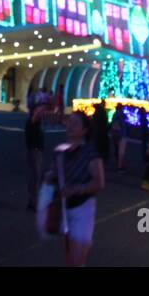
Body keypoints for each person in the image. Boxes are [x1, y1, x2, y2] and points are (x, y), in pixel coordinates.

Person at [49, 110, 105, 266]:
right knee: (69, 260)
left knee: (76, 260)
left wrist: (76, 189)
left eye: (75, 124)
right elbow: (55, 175)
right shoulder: (62, 152)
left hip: (83, 210)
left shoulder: (90, 153)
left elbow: (99, 183)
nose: (70, 126)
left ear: (84, 130)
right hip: (65, 209)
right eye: (69, 122)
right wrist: (50, 176)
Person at [24, 95, 46, 210]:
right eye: (39, 111)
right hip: (34, 151)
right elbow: (30, 138)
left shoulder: (38, 122)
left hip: (37, 151)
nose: (41, 113)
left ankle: (32, 200)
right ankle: (33, 200)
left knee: (35, 176)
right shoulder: (31, 122)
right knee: (35, 176)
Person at [109, 105, 129, 171]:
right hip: (121, 135)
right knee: (121, 152)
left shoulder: (115, 115)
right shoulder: (121, 115)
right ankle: (120, 167)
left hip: (116, 135)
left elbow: (113, 125)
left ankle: (120, 165)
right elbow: (123, 123)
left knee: (118, 150)